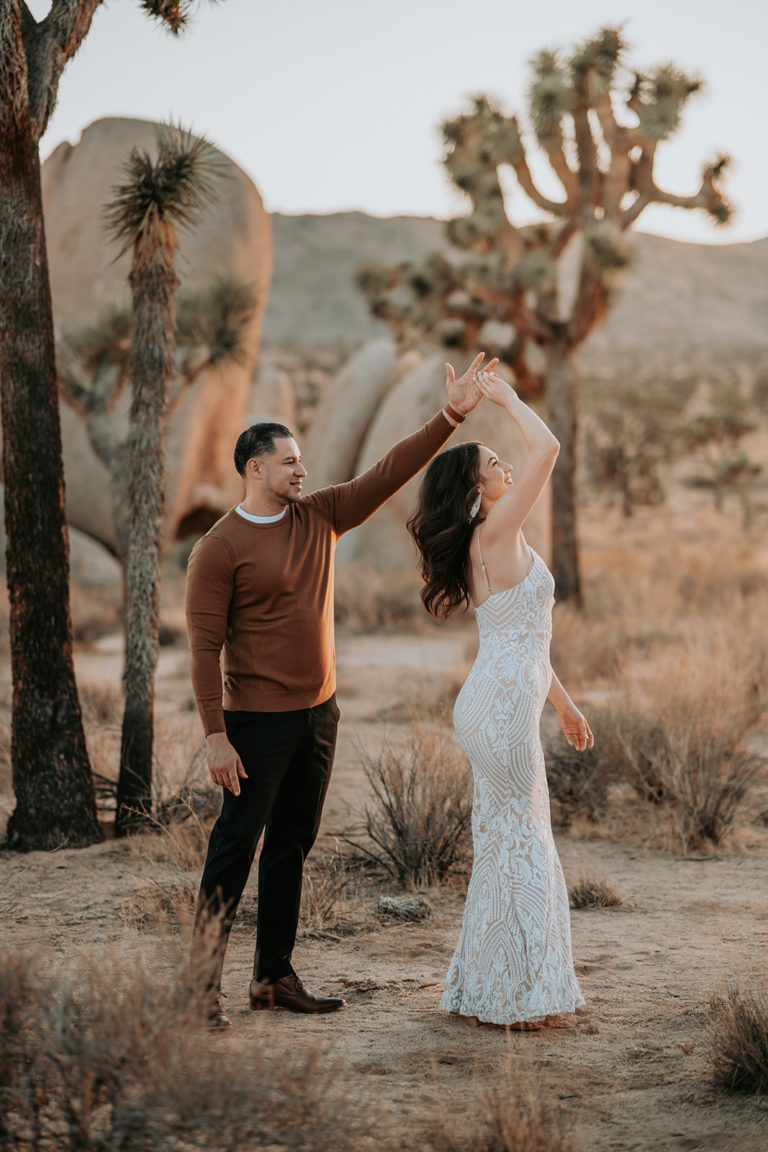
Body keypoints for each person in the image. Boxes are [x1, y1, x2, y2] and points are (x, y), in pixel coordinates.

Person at [185, 353, 496, 1028]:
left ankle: (272, 978)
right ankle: (198, 988)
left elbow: (387, 472)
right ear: (254, 469)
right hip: (254, 725)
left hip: (318, 716)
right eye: (288, 462)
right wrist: (215, 735)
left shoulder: (320, 516)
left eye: (302, 460)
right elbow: (203, 649)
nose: (302, 470)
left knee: (292, 843)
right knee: (234, 850)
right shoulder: (218, 548)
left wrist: (453, 415)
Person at [407, 367, 593, 1029]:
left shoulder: (476, 545)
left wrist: (565, 703)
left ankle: (486, 985)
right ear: (476, 490)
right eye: (492, 462)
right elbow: (549, 449)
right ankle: (518, 995)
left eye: (499, 456)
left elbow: (525, 638)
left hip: (493, 698)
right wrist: (508, 400)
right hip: (505, 706)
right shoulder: (496, 530)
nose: (506, 464)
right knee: (524, 843)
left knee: (504, 844)